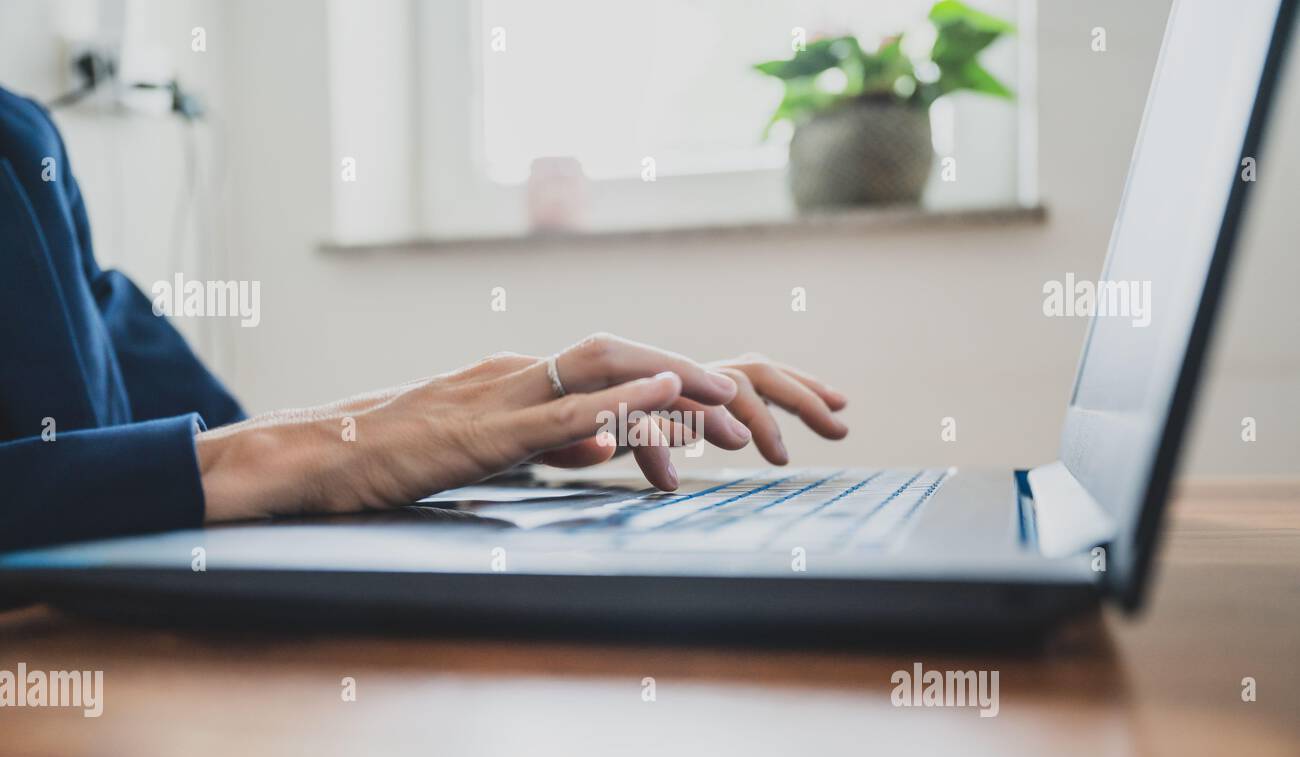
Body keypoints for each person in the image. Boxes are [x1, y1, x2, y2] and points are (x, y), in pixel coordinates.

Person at [0, 86, 848, 552]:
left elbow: (235, 453)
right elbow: (247, 459)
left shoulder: (22, 142)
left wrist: (526, 425)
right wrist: (265, 457)